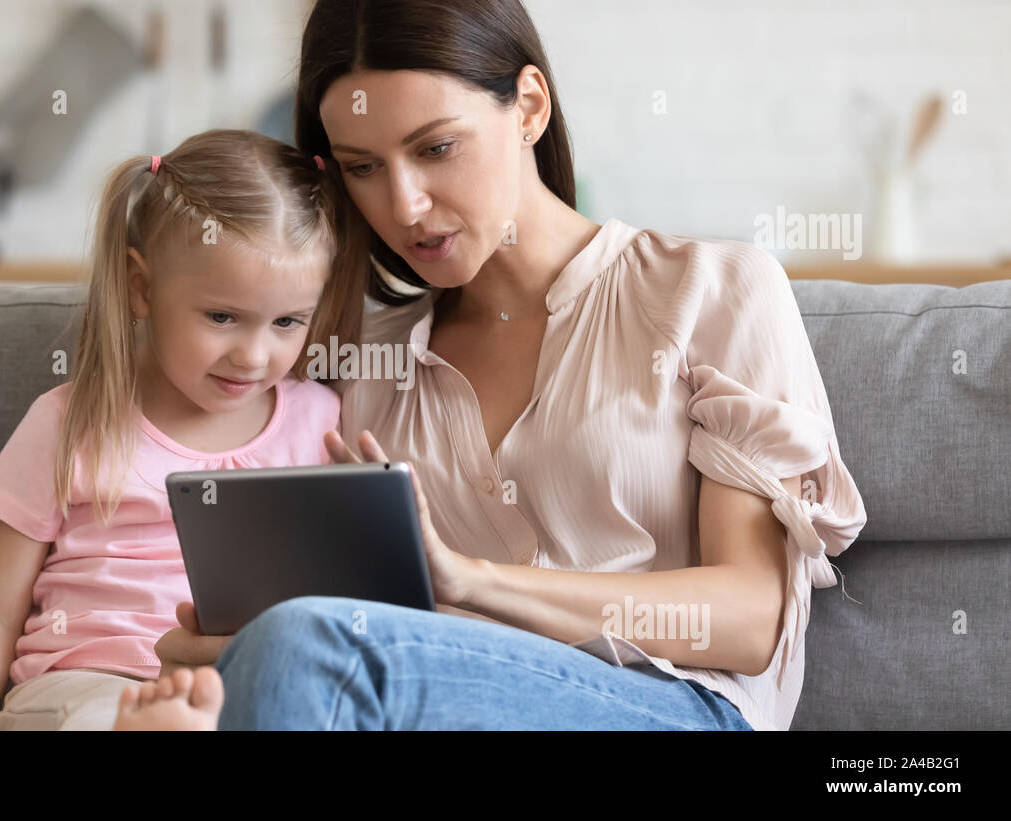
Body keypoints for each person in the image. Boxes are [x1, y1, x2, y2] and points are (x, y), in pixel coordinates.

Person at [112, 0, 869, 732]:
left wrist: (470, 583)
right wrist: (237, 653)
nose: (403, 204)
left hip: (676, 707)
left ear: (529, 106)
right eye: (363, 167)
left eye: (435, 147)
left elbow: (752, 617)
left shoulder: (712, 291)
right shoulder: (359, 366)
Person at [0, 129, 368, 730]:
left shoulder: (321, 423)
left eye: (287, 322)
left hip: (236, 692)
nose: (253, 355)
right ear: (141, 288)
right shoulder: (70, 420)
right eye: (222, 316)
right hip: (79, 693)